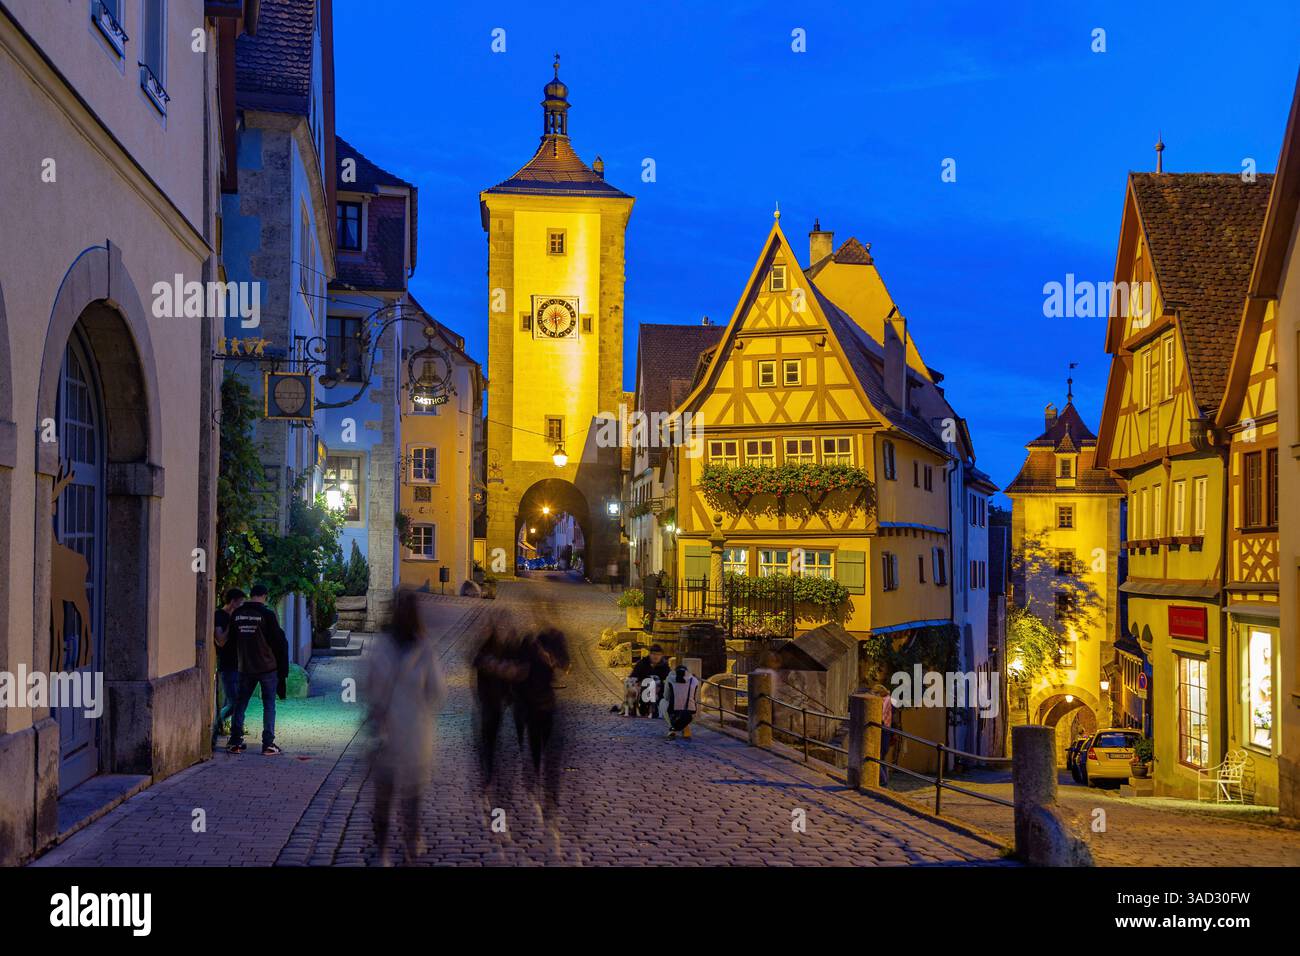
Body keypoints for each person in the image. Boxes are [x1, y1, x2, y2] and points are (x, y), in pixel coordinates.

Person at [366, 588, 446, 866]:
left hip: (391, 732)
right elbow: (438, 691)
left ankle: (386, 851)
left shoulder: (382, 644)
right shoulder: (424, 647)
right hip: (412, 733)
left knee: (387, 797)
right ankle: (407, 845)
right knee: (408, 797)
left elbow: (367, 683)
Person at [227, 583, 288, 756]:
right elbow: (278, 642)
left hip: (245, 667)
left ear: (250, 595)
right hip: (267, 667)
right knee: (269, 705)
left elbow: (232, 641)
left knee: (240, 704)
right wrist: (281, 668)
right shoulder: (267, 614)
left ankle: (235, 742)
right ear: (265, 596)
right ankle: (268, 744)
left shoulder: (237, 614)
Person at [516, 626, 570, 815]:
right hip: (532, 708)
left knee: (545, 745)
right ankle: (536, 780)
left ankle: (543, 786)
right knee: (535, 747)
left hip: (546, 707)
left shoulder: (549, 659)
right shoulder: (529, 657)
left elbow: (563, 666)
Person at [210, 588, 245, 747]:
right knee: (235, 703)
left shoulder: (236, 616)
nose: (241, 605)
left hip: (239, 665)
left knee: (234, 701)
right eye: (240, 602)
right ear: (233, 601)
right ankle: (216, 726)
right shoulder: (220, 616)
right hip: (227, 666)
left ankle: (229, 731)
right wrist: (232, 623)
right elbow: (221, 641)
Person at [629, 644, 670, 717]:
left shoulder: (664, 666)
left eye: (658, 654)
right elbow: (633, 677)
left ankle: (658, 709)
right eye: (654, 654)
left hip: (659, 692)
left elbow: (667, 680)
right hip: (643, 692)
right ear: (650, 654)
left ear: (661, 656)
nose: (656, 656)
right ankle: (637, 708)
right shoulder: (642, 664)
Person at [663, 663, 701, 740]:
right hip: (691, 714)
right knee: (687, 707)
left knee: (663, 702)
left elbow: (666, 696)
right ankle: (685, 726)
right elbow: (696, 698)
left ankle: (672, 728)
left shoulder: (669, 678)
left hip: (673, 712)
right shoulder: (695, 680)